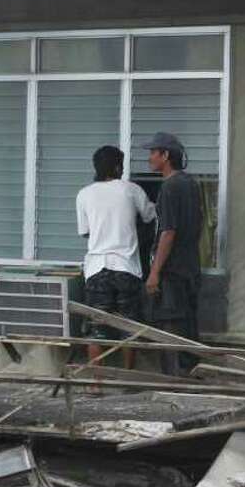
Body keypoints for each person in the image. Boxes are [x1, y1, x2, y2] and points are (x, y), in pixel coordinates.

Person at [75, 145, 156, 370]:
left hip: (96, 269)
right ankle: (127, 378)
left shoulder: (84, 194)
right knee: (129, 327)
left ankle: (95, 385)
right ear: (118, 166)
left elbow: (85, 232)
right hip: (126, 267)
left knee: (95, 327)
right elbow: (150, 215)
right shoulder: (131, 189)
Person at [140, 131, 204, 375]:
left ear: (165, 155)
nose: (149, 158)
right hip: (190, 268)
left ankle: (173, 380)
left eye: (153, 153)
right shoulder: (191, 184)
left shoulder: (169, 187)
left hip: (172, 271)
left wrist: (154, 272)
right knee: (188, 325)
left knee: (169, 325)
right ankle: (190, 374)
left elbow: (168, 232)